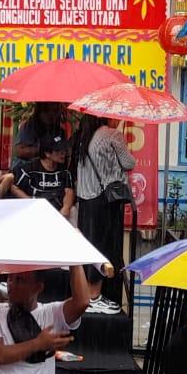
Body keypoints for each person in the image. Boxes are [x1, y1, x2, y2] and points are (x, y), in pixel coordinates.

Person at [74, 114, 135, 307]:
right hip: (105, 200)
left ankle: (85, 293)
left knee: (88, 244)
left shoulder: (83, 136)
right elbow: (129, 163)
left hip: (85, 200)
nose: (116, 118)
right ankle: (96, 295)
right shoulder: (111, 135)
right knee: (105, 245)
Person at [7, 134, 75, 217]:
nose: (63, 153)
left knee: (73, 211)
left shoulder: (65, 171)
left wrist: (66, 208)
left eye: (64, 150)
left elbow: (69, 191)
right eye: (58, 151)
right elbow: (15, 188)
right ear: (47, 153)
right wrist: (30, 203)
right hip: (35, 212)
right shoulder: (28, 170)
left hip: (58, 211)